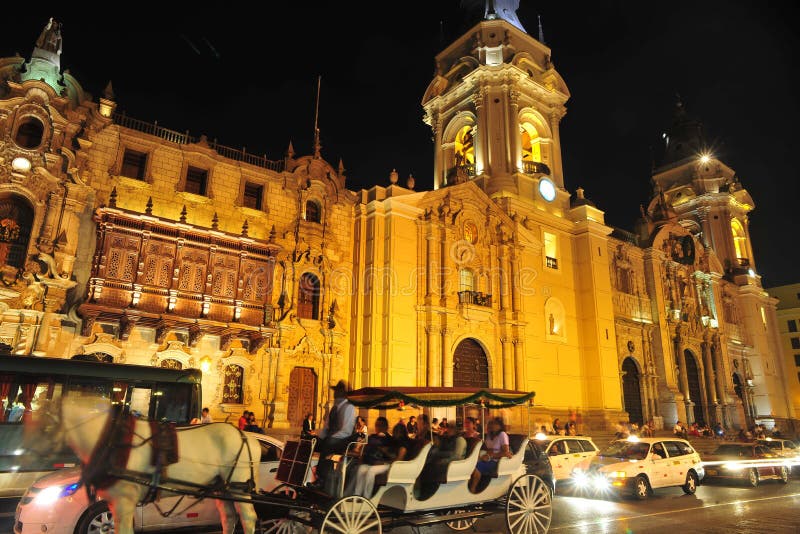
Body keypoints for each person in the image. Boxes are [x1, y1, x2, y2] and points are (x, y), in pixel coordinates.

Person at [313, 379, 357, 490]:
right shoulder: (334, 408)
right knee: (313, 442)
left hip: (345, 440)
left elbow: (346, 430)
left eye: (337, 391)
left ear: (342, 393)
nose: (334, 393)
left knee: (328, 443)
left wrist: (329, 438)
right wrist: (318, 438)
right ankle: (319, 474)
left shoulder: (349, 407)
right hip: (334, 438)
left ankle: (322, 478)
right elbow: (326, 427)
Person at [469, 417, 512, 492]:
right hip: (488, 459)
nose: (491, 425)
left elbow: (506, 452)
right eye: (490, 423)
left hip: (497, 462)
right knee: (471, 465)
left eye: (494, 424)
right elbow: (489, 449)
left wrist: (490, 456)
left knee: (476, 467)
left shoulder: (502, 435)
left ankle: (473, 489)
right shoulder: (489, 435)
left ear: (500, 426)